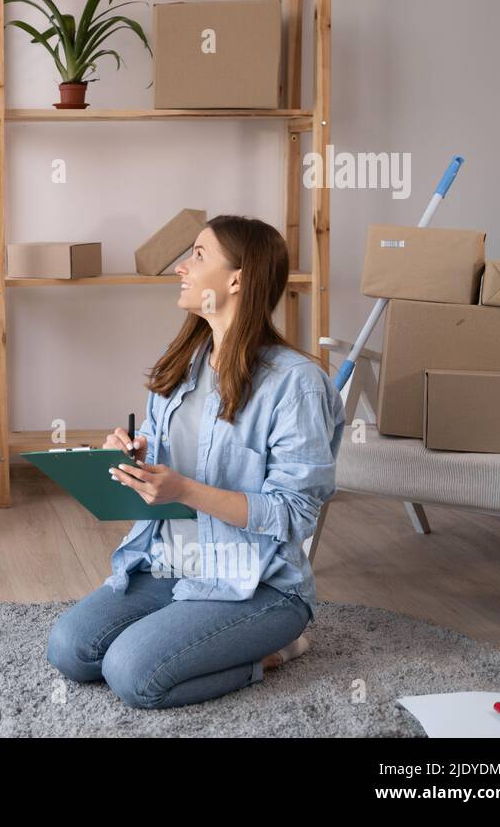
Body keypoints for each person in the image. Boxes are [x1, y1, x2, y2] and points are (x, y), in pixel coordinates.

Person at [46, 215, 345, 708]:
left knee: (131, 673)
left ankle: (274, 651)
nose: (182, 267)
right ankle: (189, 633)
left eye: (199, 255)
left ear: (237, 279)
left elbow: (294, 513)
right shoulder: (184, 361)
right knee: (70, 650)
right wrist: (137, 455)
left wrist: (184, 489)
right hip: (171, 566)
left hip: (258, 584)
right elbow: (177, 461)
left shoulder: (295, 384)